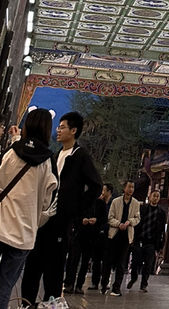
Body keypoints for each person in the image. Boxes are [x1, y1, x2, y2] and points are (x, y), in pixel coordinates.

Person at [22, 111, 102, 306]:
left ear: (74, 131)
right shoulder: (54, 154)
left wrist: (74, 210)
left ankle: (50, 304)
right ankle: (26, 303)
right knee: (32, 266)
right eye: (57, 126)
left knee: (54, 270)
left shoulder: (80, 155)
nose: (58, 130)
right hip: (42, 219)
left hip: (60, 223)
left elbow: (96, 186)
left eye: (62, 127)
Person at [0, 109, 58, 309]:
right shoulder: (48, 163)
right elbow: (45, 203)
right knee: (5, 285)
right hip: (23, 235)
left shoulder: (12, 152)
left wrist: (15, 138)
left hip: (0, 225)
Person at [101, 179, 141, 296]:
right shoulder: (116, 201)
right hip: (114, 235)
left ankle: (116, 287)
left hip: (126, 236)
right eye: (129, 187)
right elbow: (110, 217)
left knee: (121, 263)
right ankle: (104, 284)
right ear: (124, 188)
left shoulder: (136, 203)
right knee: (108, 262)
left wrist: (129, 222)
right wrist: (119, 224)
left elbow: (137, 218)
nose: (131, 190)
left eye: (133, 187)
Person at [64, 186, 104, 294]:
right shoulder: (81, 201)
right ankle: (69, 283)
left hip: (91, 237)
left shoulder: (100, 204)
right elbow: (74, 217)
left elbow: (103, 219)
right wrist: (82, 220)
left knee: (85, 262)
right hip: (79, 234)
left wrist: (96, 220)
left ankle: (79, 285)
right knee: (74, 260)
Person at [128, 188, 166, 292]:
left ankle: (144, 284)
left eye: (157, 196)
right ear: (149, 196)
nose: (155, 198)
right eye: (154, 195)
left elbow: (162, 230)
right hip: (139, 239)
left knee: (148, 264)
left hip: (151, 242)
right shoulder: (142, 208)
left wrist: (160, 245)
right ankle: (133, 278)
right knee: (135, 262)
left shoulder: (161, 213)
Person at [87, 184, 112, 290]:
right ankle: (95, 282)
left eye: (104, 190)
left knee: (107, 261)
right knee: (96, 259)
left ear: (109, 191)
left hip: (109, 235)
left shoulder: (113, 202)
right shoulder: (99, 202)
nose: (102, 192)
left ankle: (105, 282)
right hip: (97, 234)